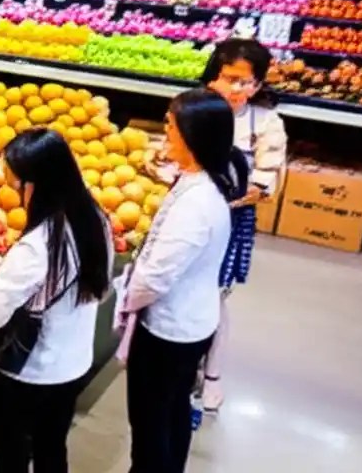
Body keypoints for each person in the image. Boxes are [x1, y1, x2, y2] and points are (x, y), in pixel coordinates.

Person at [0, 128, 114, 473]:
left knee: (11, 453)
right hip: (72, 364)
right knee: (52, 448)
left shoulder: (38, 247)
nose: (12, 190)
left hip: (30, 373)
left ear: (34, 184)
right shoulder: (95, 218)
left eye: (14, 182)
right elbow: (100, 284)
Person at [120, 88, 234, 473]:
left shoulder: (196, 204)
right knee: (174, 413)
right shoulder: (207, 182)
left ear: (190, 134)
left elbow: (156, 276)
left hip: (170, 330)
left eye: (169, 125)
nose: (164, 132)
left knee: (150, 423)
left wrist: (126, 299)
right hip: (193, 322)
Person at [198, 38, 288, 411]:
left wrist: (226, 195)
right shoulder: (194, 109)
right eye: (229, 78)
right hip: (189, 213)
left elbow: (266, 180)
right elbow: (164, 155)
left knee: (215, 296)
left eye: (246, 82)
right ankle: (182, 365)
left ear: (259, 85)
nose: (237, 89)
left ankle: (211, 375)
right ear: (212, 77)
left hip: (229, 219)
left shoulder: (265, 123)